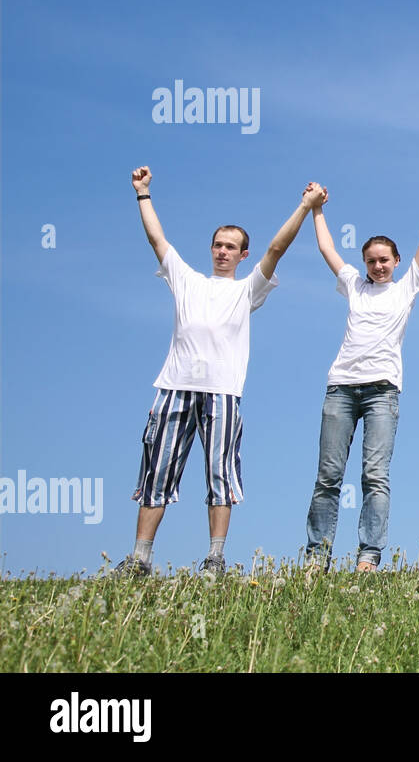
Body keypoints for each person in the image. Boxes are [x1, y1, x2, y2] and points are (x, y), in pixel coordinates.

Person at [115, 166, 325, 577]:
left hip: (222, 393)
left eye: (231, 247)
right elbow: (157, 239)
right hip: (174, 387)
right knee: (157, 471)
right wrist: (143, 194)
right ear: (210, 249)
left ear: (243, 254)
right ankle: (139, 558)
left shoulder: (248, 289)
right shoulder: (186, 280)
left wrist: (304, 206)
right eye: (217, 245)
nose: (222, 252)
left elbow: (277, 249)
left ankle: (214, 559)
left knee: (220, 474)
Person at [303, 165, 419, 572]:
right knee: (328, 476)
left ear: (397, 261)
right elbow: (328, 251)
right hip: (342, 388)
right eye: (371, 261)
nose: (378, 266)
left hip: (383, 391)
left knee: (374, 475)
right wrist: (317, 210)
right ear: (364, 263)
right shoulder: (354, 285)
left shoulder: (406, 287)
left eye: (384, 260)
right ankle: (317, 556)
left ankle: (369, 555)